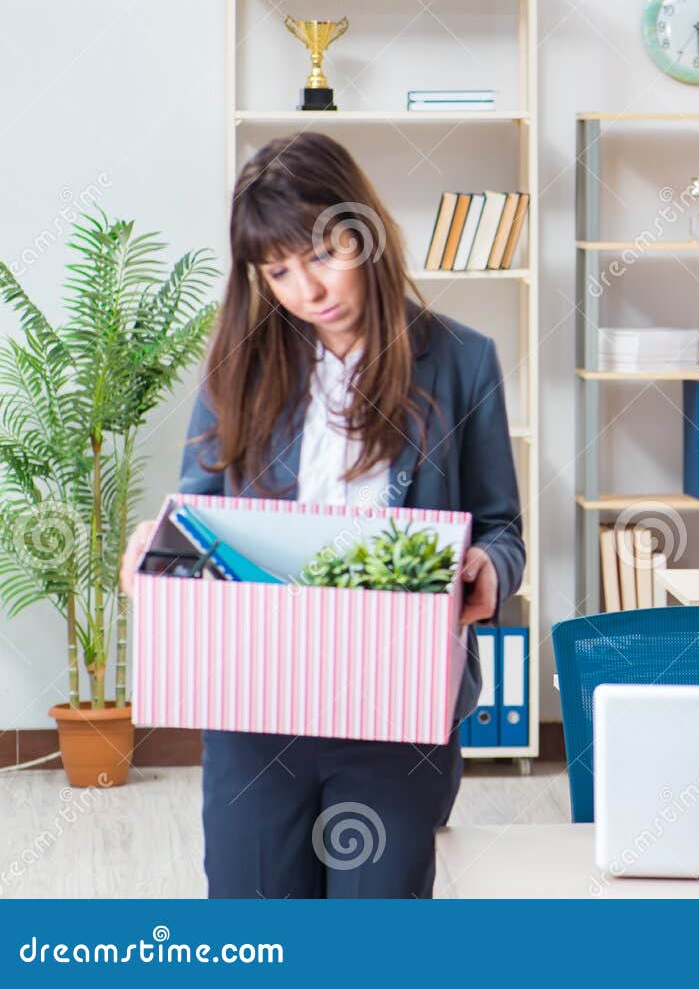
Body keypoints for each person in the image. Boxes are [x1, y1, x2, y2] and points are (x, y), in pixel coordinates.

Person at [119, 132, 524, 897]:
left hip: (395, 713)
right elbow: (197, 520)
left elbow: (502, 528)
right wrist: (157, 550)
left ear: (362, 229)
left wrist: (488, 571)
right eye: (279, 271)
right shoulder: (235, 366)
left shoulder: (463, 360)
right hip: (253, 702)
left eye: (322, 252)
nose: (307, 289)